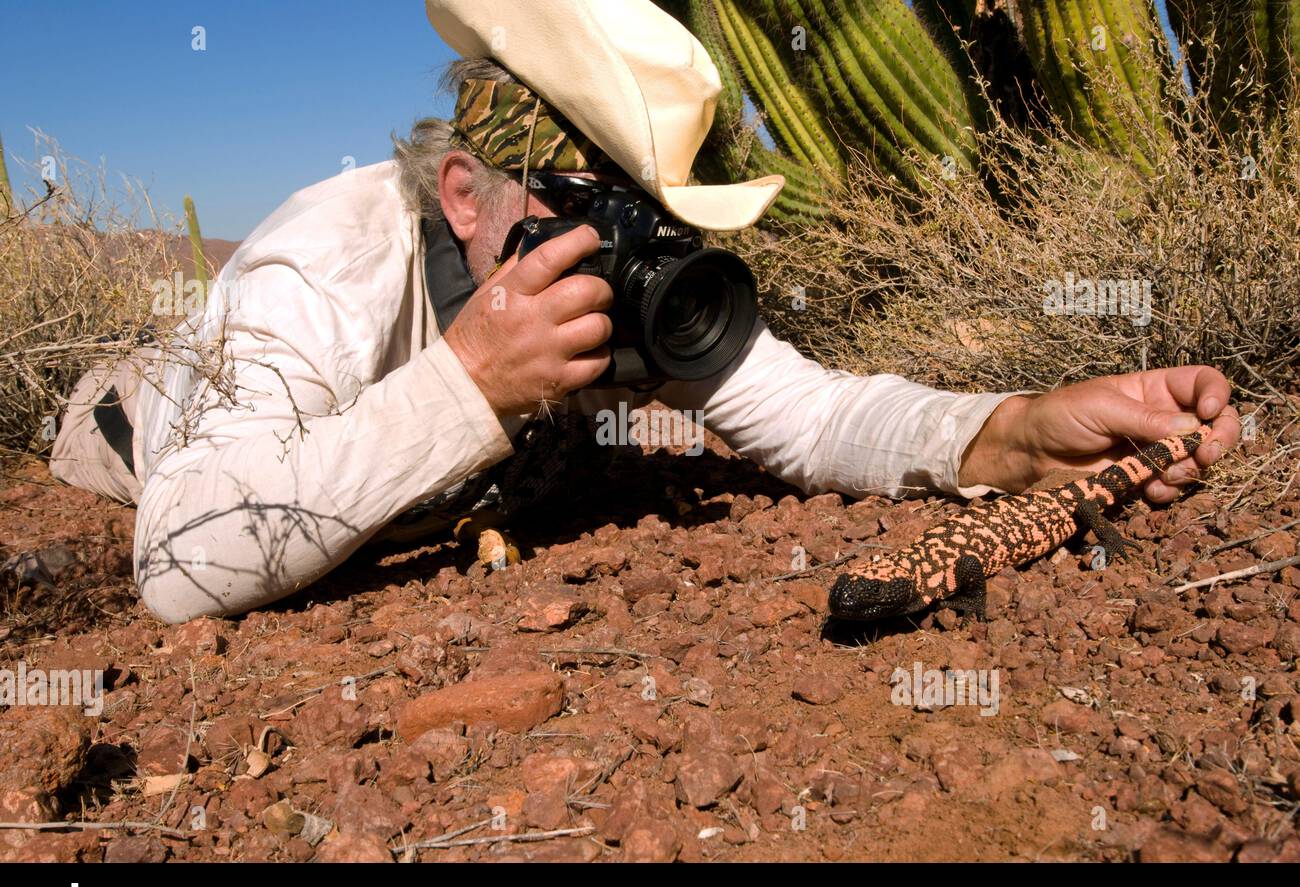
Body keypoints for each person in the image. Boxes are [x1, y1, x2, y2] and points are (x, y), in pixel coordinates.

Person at [48, 0, 1239, 624]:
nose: (631, 255)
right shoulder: (325, 264)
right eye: (591, 210)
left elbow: (815, 416)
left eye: (656, 220)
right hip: (139, 428)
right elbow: (179, 560)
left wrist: (1019, 429)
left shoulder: (629, 278)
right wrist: (470, 384)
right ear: (464, 191)